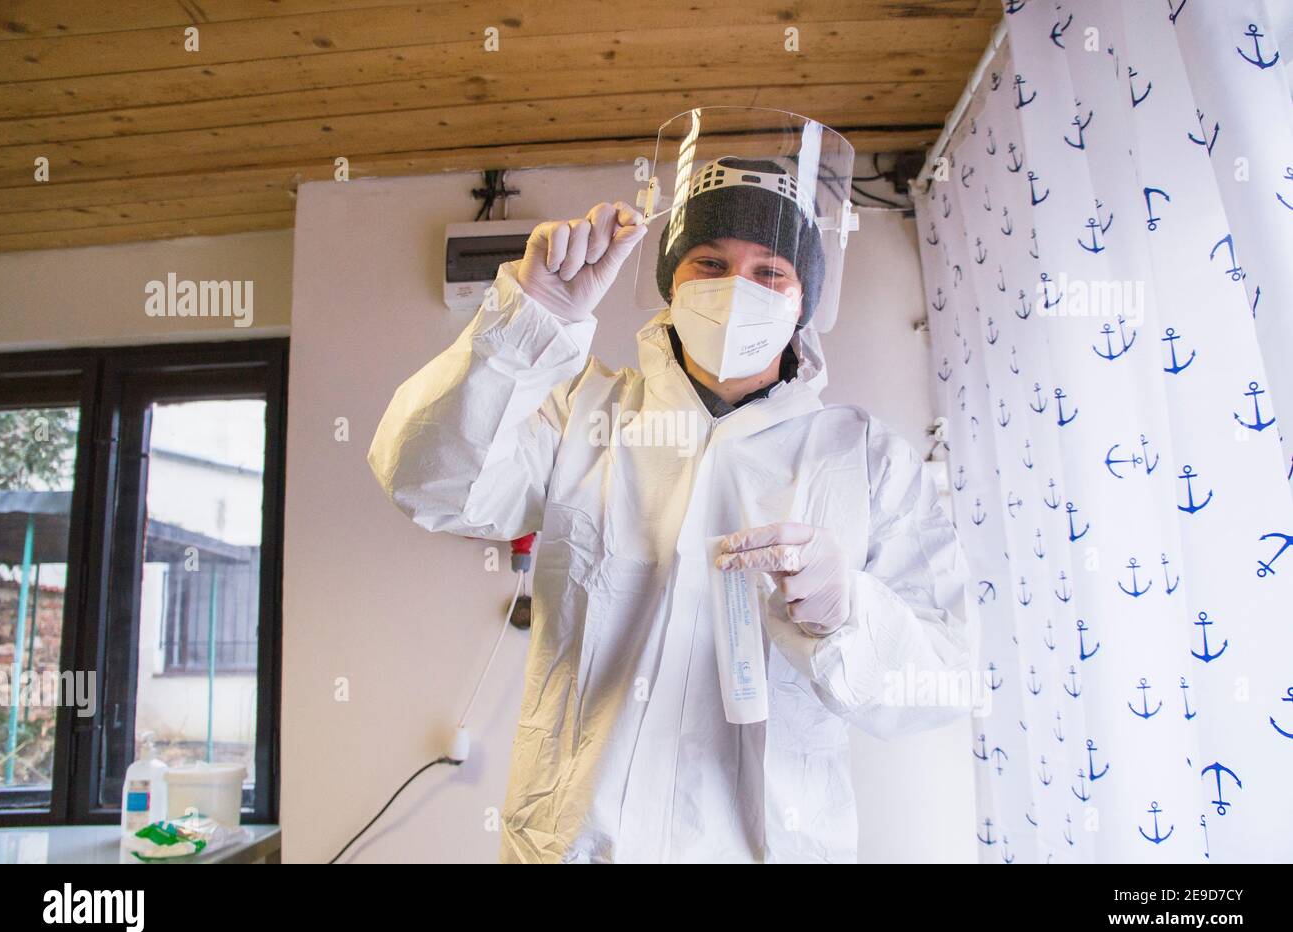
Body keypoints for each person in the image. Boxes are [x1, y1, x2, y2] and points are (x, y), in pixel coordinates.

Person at [368, 155, 976, 863]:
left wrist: (850, 613)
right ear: (670, 282)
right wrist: (527, 324)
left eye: (769, 271)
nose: (736, 290)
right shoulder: (584, 412)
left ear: (803, 297)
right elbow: (422, 477)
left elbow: (945, 675)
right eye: (710, 263)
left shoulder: (865, 460)